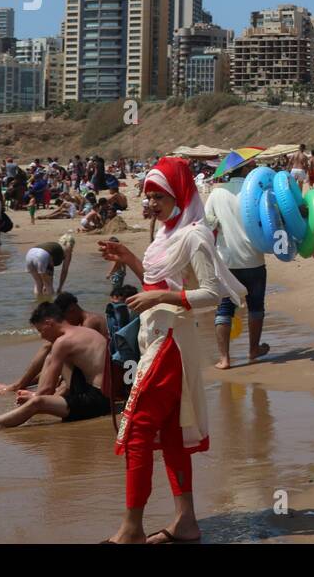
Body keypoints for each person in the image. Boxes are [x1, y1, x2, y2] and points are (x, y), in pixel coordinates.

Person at [98, 156, 245, 544]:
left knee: (137, 432)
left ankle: (131, 529)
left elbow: (212, 295)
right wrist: (128, 258)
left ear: (178, 194)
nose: (151, 204)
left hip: (171, 346)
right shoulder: (166, 234)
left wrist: (165, 295)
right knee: (171, 434)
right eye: (147, 196)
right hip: (156, 340)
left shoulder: (194, 235)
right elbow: (154, 284)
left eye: (158, 196)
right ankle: (187, 521)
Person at [0, 302, 111, 431]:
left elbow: (47, 391)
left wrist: (35, 399)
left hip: (97, 401)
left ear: (49, 323)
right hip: (105, 393)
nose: (42, 336)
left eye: (41, 330)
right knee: (50, 358)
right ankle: (34, 399)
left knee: (37, 403)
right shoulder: (83, 332)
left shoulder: (63, 342)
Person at [205, 183, 270, 369]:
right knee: (256, 307)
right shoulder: (256, 192)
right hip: (254, 258)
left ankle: (224, 359)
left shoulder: (216, 193)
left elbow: (207, 222)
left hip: (228, 262)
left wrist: (222, 223)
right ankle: (253, 350)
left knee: (225, 308)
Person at [25, 234, 76, 301]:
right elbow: (64, 270)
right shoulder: (67, 251)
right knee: (48, 285)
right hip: (42, 255)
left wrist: (47, 278)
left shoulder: (55, 246)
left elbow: (50, 264)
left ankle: (38, 304)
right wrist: (60, 287)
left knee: (38, 283)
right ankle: (51, 307)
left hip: (30, 253)